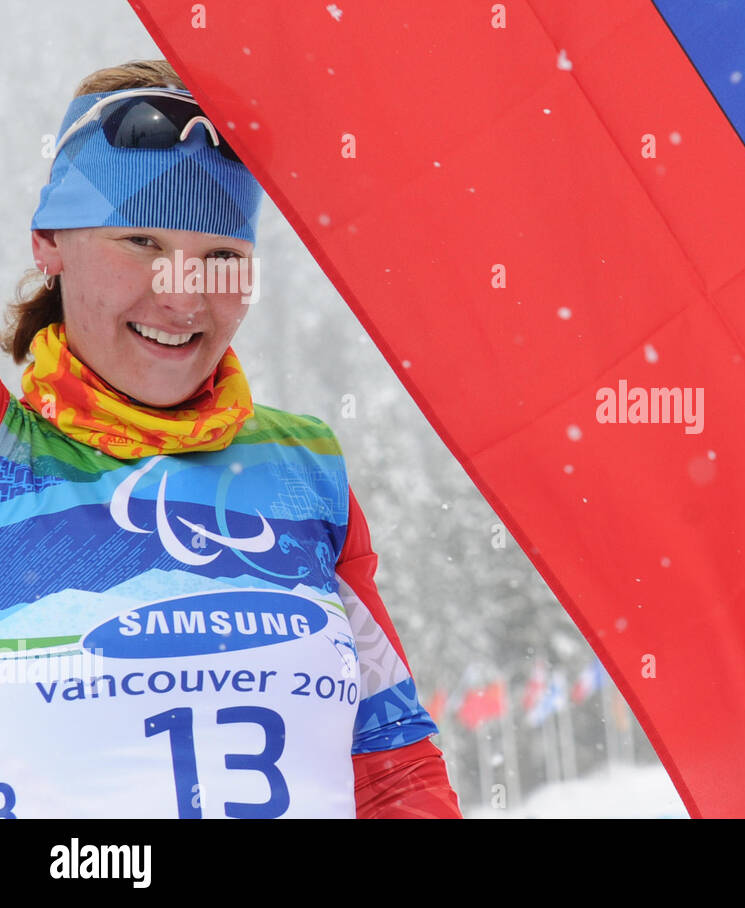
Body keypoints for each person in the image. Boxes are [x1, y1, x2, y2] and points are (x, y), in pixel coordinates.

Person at [0, 60, 461, 818]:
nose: (183, 296)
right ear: (49, 242)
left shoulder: (303, 471)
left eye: (221, 257)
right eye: (141, 241)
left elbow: (391, 771)